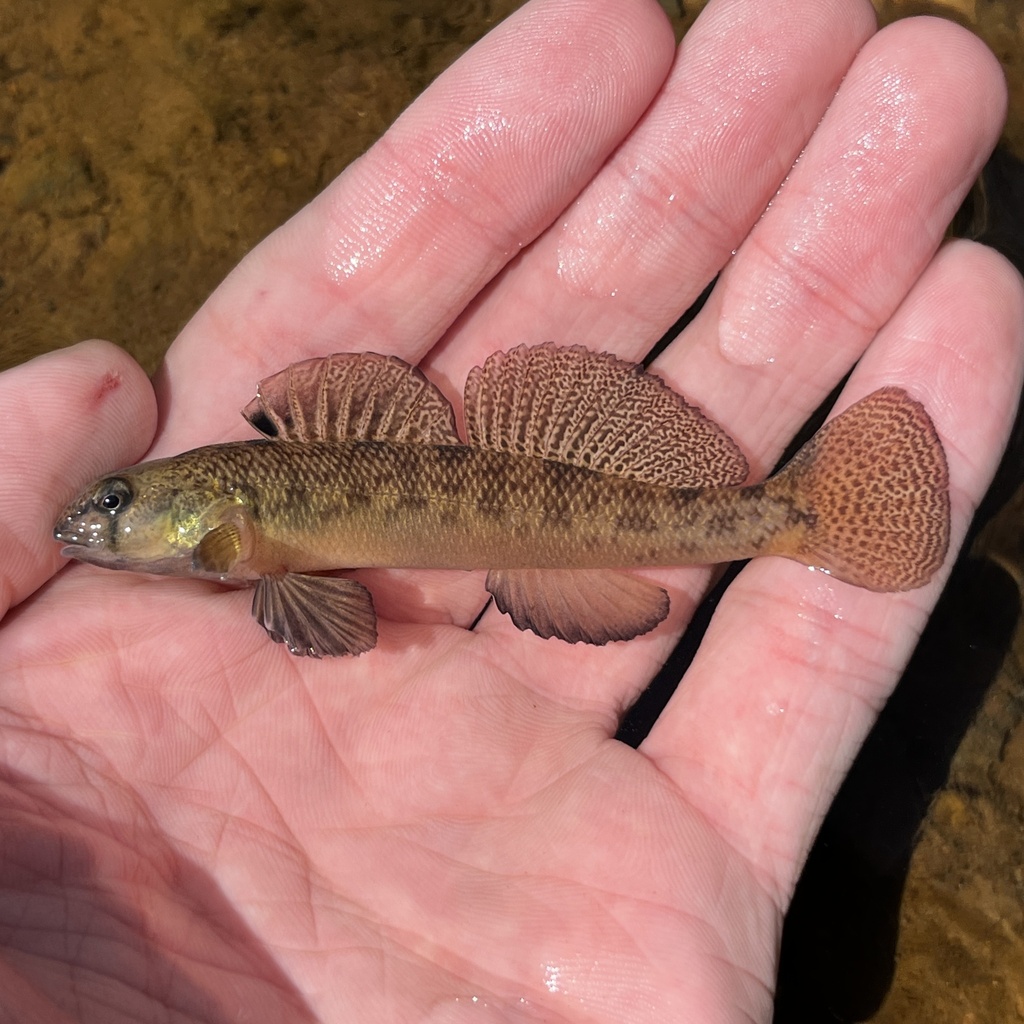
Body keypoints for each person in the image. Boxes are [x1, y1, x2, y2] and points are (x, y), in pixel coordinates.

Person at [1, 0, 1021, 1019]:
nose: (95, 522)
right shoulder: (234, 529)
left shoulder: (239, 532)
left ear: (206, 508)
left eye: (118, 503)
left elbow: (314, 607)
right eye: (105, 505)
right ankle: (789, 519)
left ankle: (796, 518)